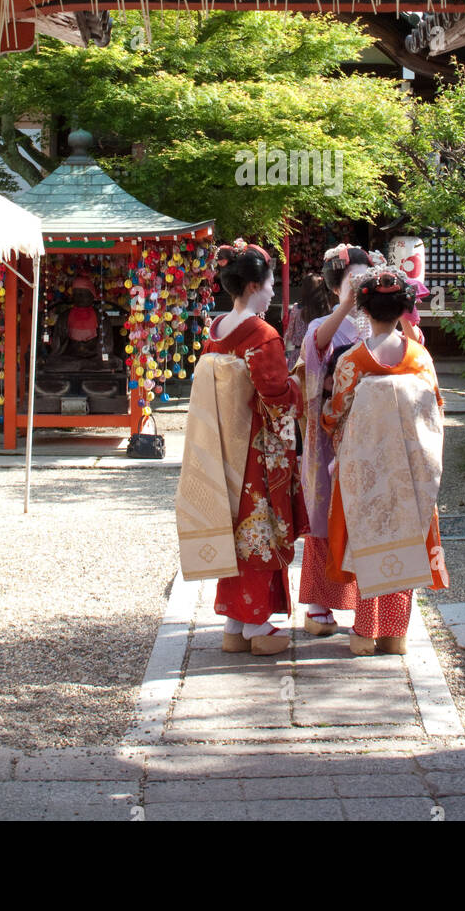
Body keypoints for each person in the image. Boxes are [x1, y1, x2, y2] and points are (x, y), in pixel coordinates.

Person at [174, 239, 307, 656]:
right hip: (255, 449)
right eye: (269, 284)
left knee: (236, 526)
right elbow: (275, 395)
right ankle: (255, 622)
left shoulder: (217, 333)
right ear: (253, 285)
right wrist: (300, 386)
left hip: (223, 449)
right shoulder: (261, 335)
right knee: (257, 530)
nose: (272, 292)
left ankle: (235, 622)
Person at [321, 265, 450, 656]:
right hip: (411, 469)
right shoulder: (420, 359)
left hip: (366, 472)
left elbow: (335, 414)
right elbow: (436, 409)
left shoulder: (352, 361)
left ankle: (364, 630)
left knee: (366, 541)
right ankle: (395, 634)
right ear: (403, 309)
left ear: (363, 310)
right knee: (406, 538)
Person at [297, 243, 374, 636]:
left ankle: (366, 604)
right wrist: (346, 304)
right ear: (334, 288)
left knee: (364, 514)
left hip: (369, 433)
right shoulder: (320, 326)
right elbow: (315, 355)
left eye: (366, 279)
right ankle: (316, 603)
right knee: (324, 512)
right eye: (353, 280)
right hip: (331, 432)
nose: (362, 288)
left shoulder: (378, 321)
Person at [284, 272, 332, 372]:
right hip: (320, 356)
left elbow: (289, 332)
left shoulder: (297, 309)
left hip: (299, 355)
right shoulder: (326, 310)